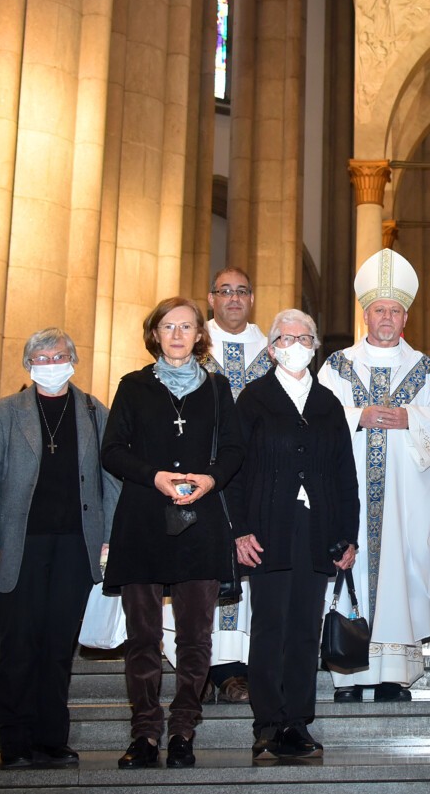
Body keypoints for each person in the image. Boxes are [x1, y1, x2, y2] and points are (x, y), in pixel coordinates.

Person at [101, 297, 244, 769]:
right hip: (143, 521)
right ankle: (144, 734)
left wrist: (211, 479)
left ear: (200, 334)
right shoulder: (133, 386)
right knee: (143, 637)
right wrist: (155, 475)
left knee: (195, 638)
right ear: (155, 335)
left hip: (199, 524)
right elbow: (113, 451)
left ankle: (183, 730)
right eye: (168, 327)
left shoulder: (219, 389)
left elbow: (234, 448)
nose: (178, 334)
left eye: (186, 326)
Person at [0, 328, 121, 769]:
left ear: (74, 360)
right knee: (19, 644)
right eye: (42, 355)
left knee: (58, 646)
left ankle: (52, 738)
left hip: (77, 545)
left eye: (60, 355)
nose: (52, 362)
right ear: (28, 363)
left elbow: (112, 482)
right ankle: (15, 738)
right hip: (20, 545)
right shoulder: (3, 413)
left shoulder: (95, 411)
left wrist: (111, 535)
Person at [319, 249, 430, 704]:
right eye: (380, 309)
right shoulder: (337, 367)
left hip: (405, 503)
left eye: (395, 310)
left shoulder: (427, 371)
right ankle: (348, 672)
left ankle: (393, 673)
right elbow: (314, 419)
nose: (387, 318)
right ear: (365, 313)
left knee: (400, 569)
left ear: (406, 317)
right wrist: (360, 416)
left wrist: (410, 419)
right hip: (348, 497)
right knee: (347, 571)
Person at [232, 309, 359, 761]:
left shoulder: (328, 403)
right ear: (271, 348)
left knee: (306, 628)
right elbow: (235, 471)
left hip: (316, 528)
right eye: (286, 338)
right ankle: (267, 723)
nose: (296, 344)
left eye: (305, 336)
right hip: (267, 527)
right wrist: (240, 530)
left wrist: (348, 534)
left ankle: (298, 722)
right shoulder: (252, 399)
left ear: (315, 344)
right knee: (269, 626)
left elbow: (346, 474)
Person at [192, 267, 271, 705]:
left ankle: (235, 668)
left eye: (242, 291)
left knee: (246, 572)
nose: (234, 298)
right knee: (200, 571)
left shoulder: (274, 349)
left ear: (252, 299)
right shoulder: (190, 343)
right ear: (211, 298)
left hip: (255, 480)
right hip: (202, 479)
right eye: (225, 291)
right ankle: (198, 666)